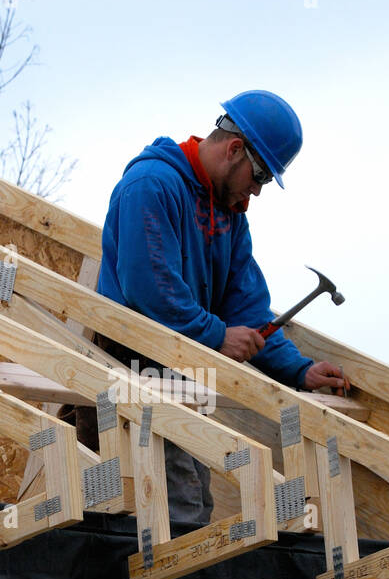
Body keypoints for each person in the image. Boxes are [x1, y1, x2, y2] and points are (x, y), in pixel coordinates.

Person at [78, 90, 346, 526]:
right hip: (130, 362)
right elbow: (150, 289)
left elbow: (249, 312)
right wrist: (217, 336)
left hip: (184, 369)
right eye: (259, 176)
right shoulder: (152, 186)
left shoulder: (229, 217)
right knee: (169, 510)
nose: (257, 191)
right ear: (235, 149)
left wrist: (300, 370)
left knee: (192, 505)